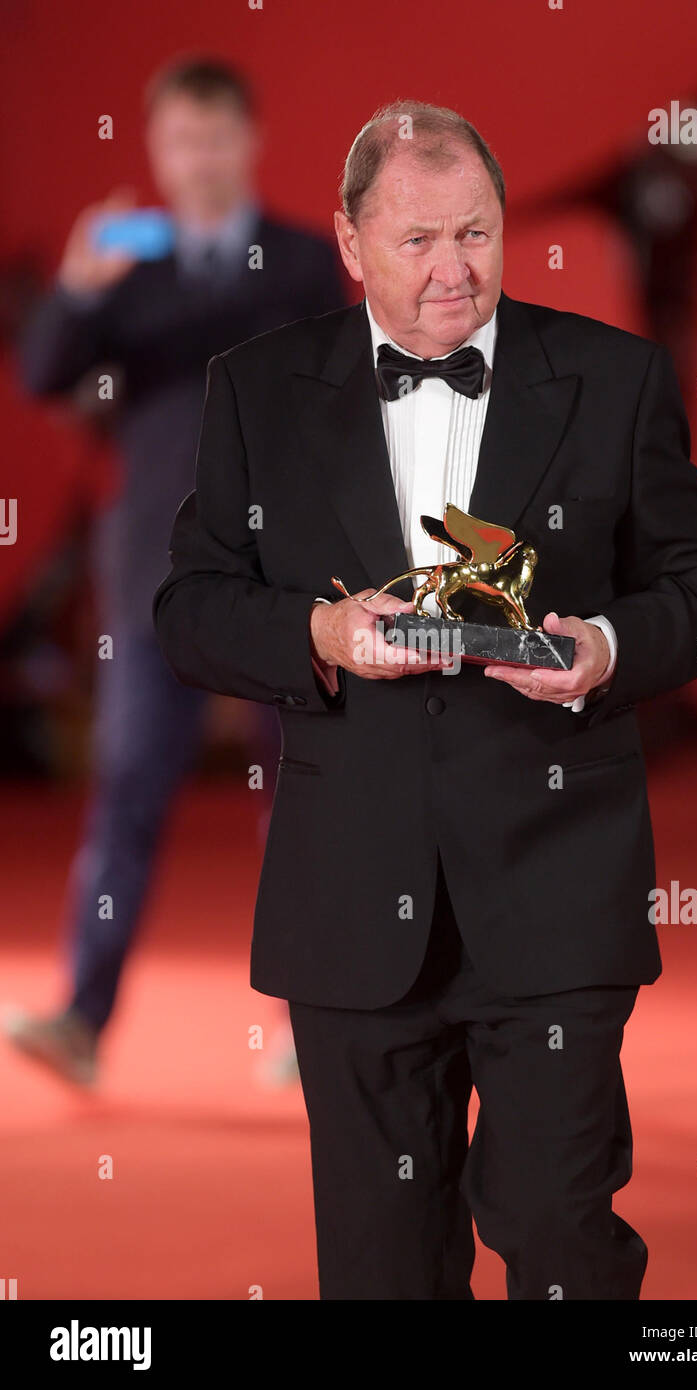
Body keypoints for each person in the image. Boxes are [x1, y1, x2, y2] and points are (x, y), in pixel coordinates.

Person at [152, 100, 697, 1299]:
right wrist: (318, 630)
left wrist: (603, 647)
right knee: (381, 1273)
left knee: (561, 1238)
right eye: (419, 240)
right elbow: (189, 610)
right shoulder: (257, 391)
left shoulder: (613, 376)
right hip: (348, 912)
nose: (454, 269)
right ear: (348, 239)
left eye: (476, 233)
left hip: (554, 891)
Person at [4, 57, 346, 1086]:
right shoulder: (123, 265)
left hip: (282, 573)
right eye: (180, 142)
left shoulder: (295, 260)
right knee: (128, 788)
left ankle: (319, 1016)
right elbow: (42, 372)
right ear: (157, 152)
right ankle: (84, 1016)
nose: (199, 160)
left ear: (249, 140)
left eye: (215, 137)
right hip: (155, 572)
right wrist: (73, 290)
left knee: (308, 793)